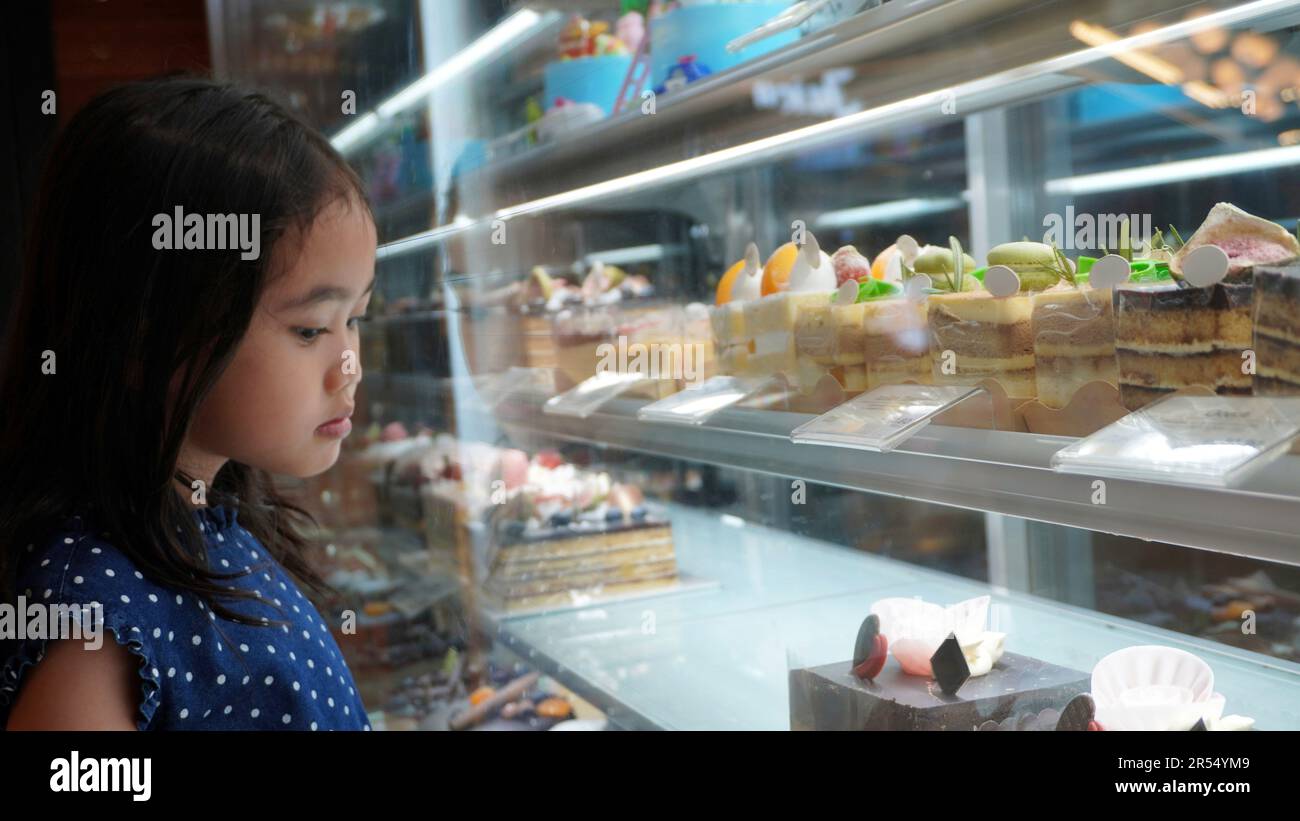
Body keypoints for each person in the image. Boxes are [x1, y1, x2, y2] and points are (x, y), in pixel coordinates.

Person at [0, 76, 377, 730]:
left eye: (360, 319)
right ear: (152, 333)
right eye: (311, 329)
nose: (350, 366)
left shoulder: (211, 518)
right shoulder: (95, 624)